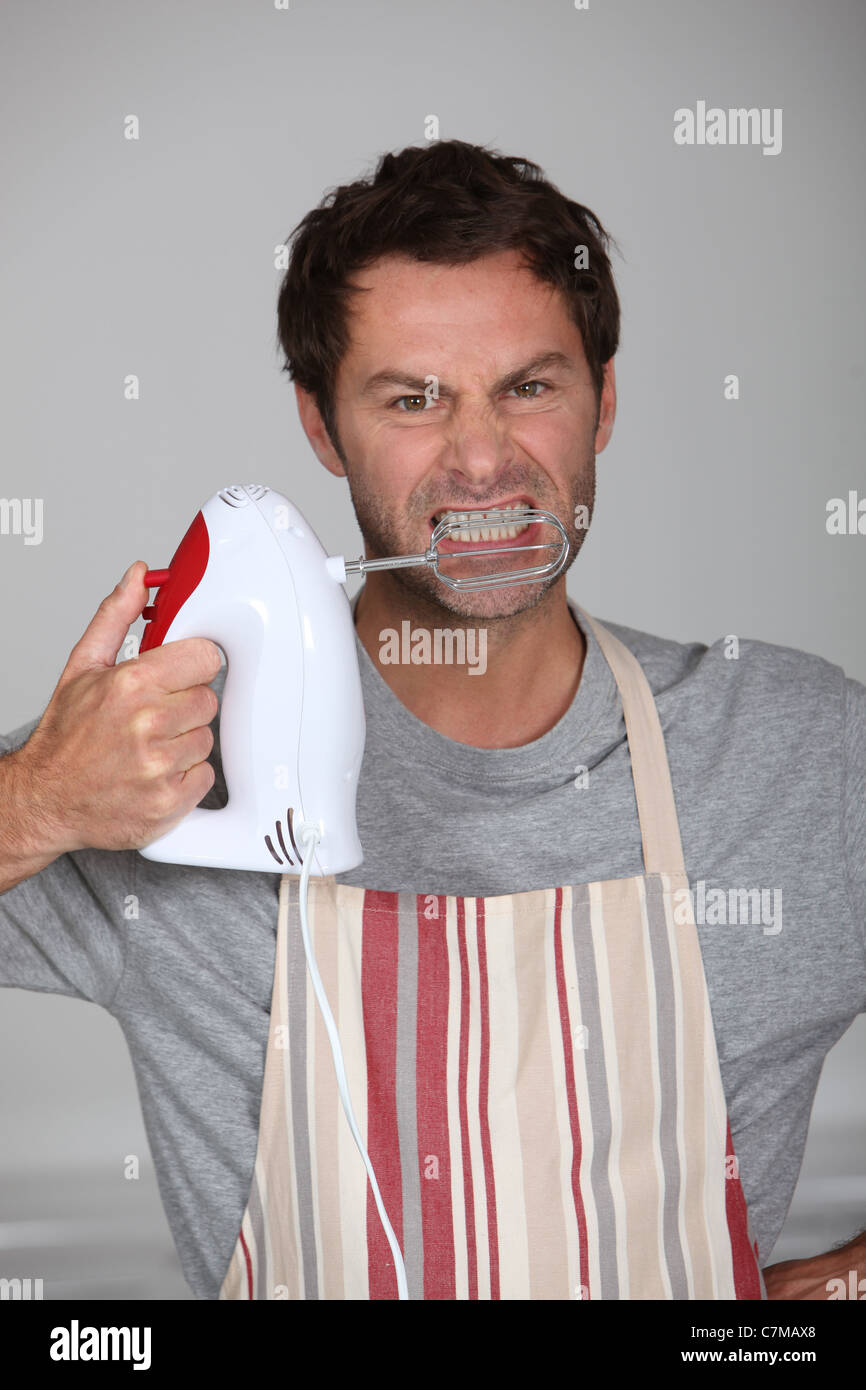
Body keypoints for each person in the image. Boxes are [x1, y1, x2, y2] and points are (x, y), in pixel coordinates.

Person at [1, 139, 863, 1301]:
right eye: (411, 399)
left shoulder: (795, 754)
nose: (479, 459)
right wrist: (41, 797)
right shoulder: (169, 769)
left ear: (602, 402)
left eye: (528, 386)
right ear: (319, 426)